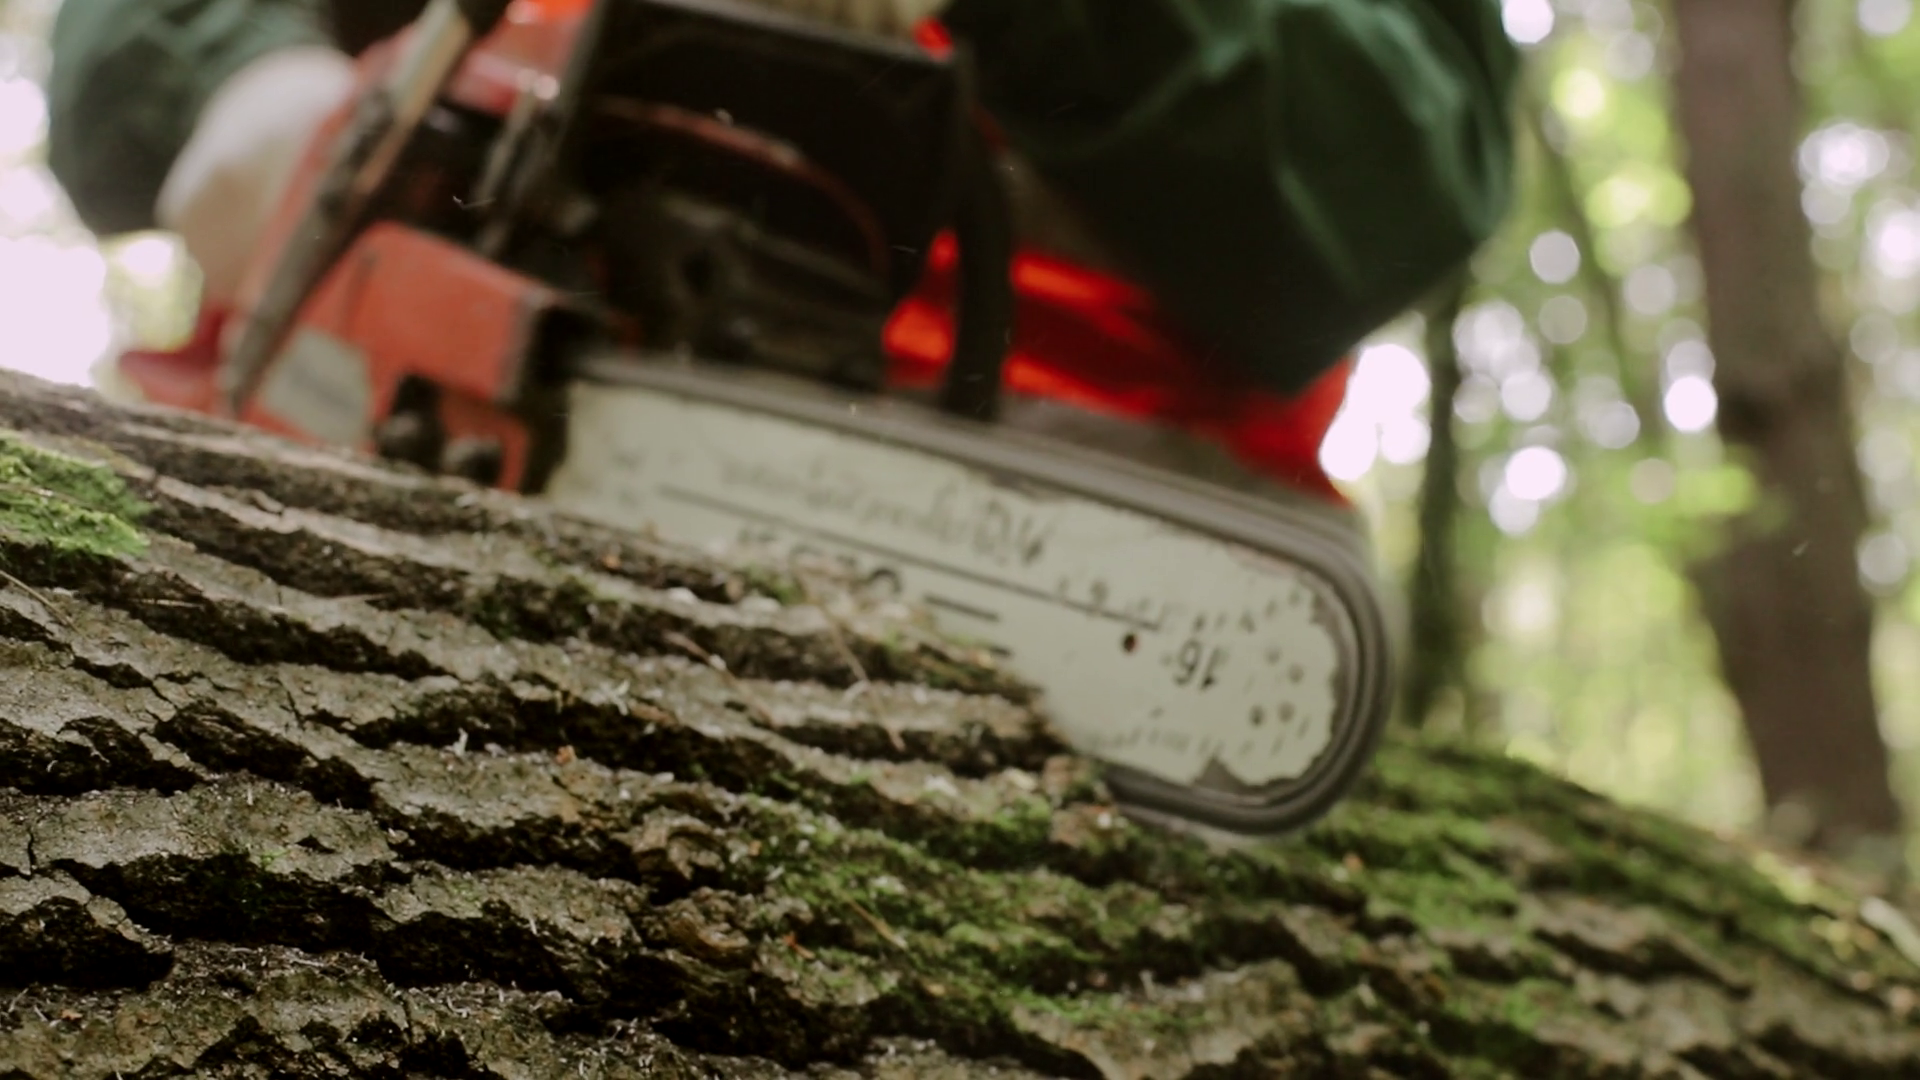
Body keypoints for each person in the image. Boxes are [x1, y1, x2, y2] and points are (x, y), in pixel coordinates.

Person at [46, 0, 1518, 492]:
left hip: (1056, 466)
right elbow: (138, 59)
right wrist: (236, 80)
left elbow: (1384, 171)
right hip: (385, 391)